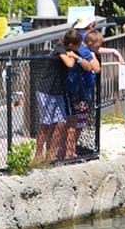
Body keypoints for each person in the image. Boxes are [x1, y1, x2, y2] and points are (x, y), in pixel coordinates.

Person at [33, 30, 81, 163]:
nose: (78, 48)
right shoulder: (60, 49)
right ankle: (38, 154)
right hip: (46, 90)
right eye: (77, 45)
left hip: (58, 92)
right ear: (71, 44)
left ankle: (51, 154)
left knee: (61, 122)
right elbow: (69, 64)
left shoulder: (71, 52)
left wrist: (75, 55)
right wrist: (73, 56)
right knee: (46, 123)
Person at [63, 23, 101, 159]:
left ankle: (68, 149)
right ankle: (69, 151)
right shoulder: (84, 51)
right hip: (79, 91)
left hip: (79, 90)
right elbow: (95, 68)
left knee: (76, 121)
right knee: (76, 122)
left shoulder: (80, 50)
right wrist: (91, 58)